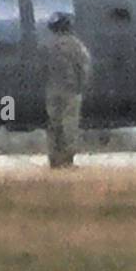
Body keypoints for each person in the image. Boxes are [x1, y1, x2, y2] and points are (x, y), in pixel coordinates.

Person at [44, 12, 92, 168]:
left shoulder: (47, 46)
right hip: (71, 91)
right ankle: (67, 160)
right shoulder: (76, 45)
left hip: (51, 90)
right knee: (69, 124)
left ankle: (54, 159)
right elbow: (84, 67)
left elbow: (40, 68)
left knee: (54, 124)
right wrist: (81, 85)